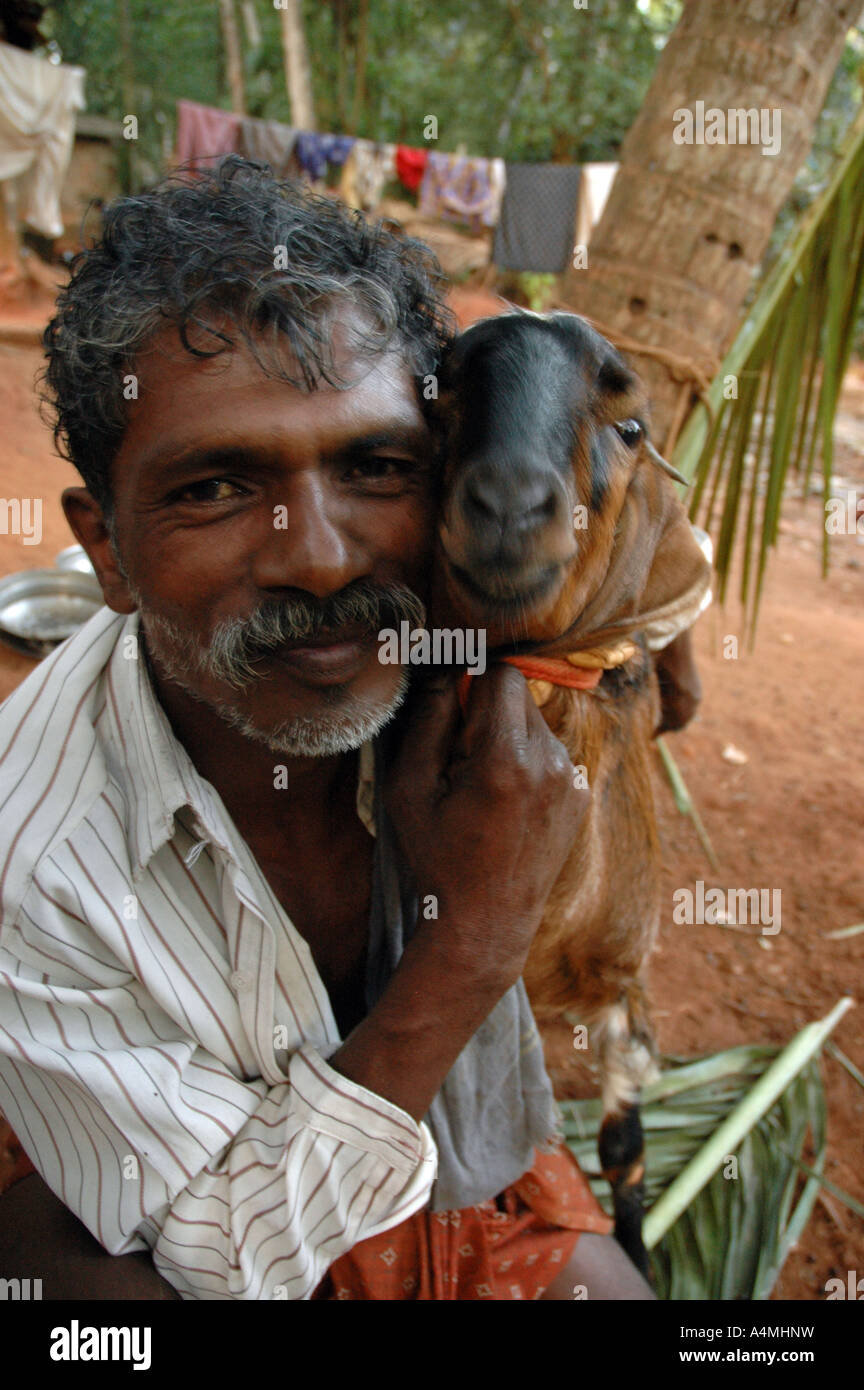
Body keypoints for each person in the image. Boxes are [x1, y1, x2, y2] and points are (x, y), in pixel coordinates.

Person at [0, 157, 653, 1301]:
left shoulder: (462, 642)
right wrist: (473, 942)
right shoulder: (36, 864)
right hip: (174, 1199)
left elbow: (631, 534)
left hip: (441, 1170)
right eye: (214, 487)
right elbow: (213, 1246)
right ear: (105, 548)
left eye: (376, 465)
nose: (318, 554)